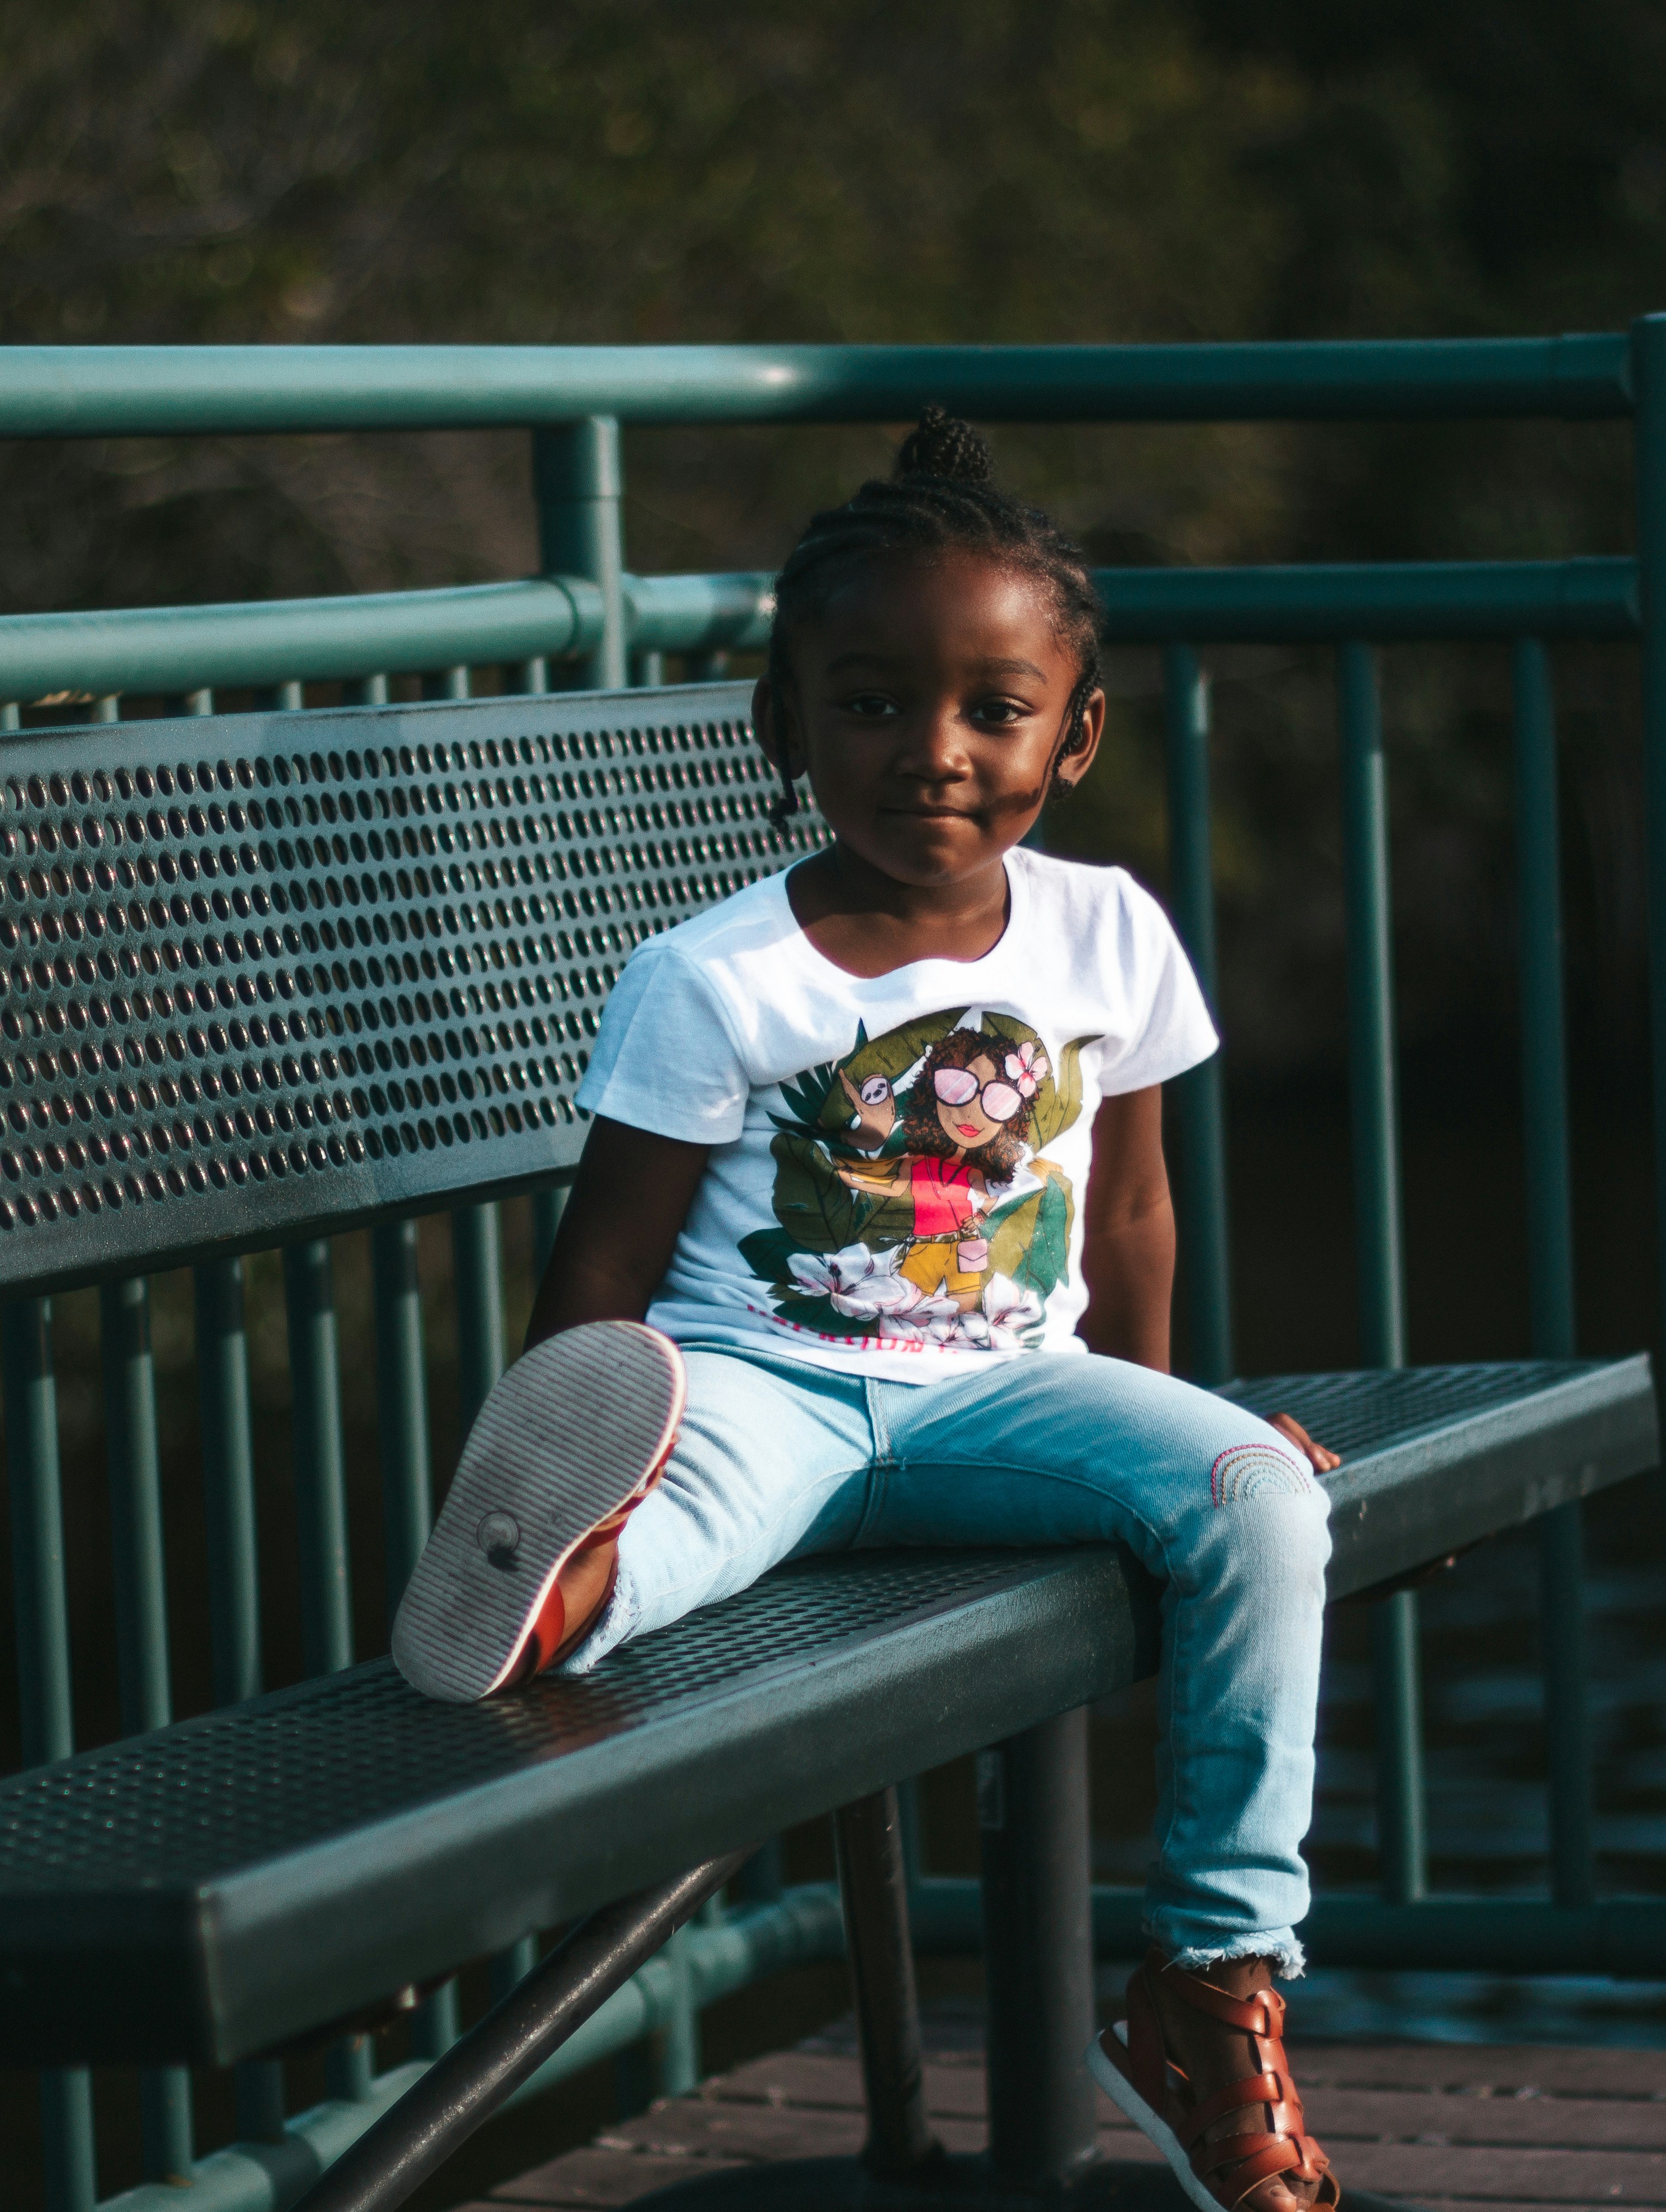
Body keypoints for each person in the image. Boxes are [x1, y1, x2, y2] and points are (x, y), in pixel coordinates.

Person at [393, 409, 1347, 2212]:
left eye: (993, 710)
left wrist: (1181, 1429)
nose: (932, 752)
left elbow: (1130, 1204)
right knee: (689, 1526)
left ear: (1074, 737)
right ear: (788, 722)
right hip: (763, 1385)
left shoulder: (1109, 930)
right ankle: (555, 1576)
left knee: (1263, 1502)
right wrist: (556, 1408)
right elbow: (609, 1267)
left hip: (1015, 1397)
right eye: (870, 702)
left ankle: (1216, 1982)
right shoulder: (713, 976)